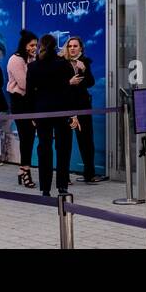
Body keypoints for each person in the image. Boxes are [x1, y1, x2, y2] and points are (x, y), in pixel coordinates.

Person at [25, 34, 75, 197]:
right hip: (62, 110)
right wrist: (73, 113)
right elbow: (69, 90)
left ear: (41, 46)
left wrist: (32, 114)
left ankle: (45, 188)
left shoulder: (33, 67)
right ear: (56, 46)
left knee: (44, 148)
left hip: (42, 111)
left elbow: (29, 93)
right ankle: (62, 186)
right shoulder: (64, 65)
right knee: (63, 147)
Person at [63, 36, 101, 183]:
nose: (72, 48)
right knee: (64, 142)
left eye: (75, 46)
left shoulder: (85, 62)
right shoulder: (62, 63)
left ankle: (89, 174)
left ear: (80, 48)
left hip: (83, 106)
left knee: (86, 141)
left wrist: (84, 70)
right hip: (66, 106)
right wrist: (68, 82)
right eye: (70, 46)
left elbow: (90, 82)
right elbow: (57, 84)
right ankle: (64, 176)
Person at [6, 30, 38, 187]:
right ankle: (26, 170)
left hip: (31, 101)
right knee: (26, 135)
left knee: (30, 136)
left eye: (36, 45)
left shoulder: (32, 59)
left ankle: (23, 168)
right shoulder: (15, 60)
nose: (34, 48)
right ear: (24, 45)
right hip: (20, 101)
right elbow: (25, 84)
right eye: (32, 45)